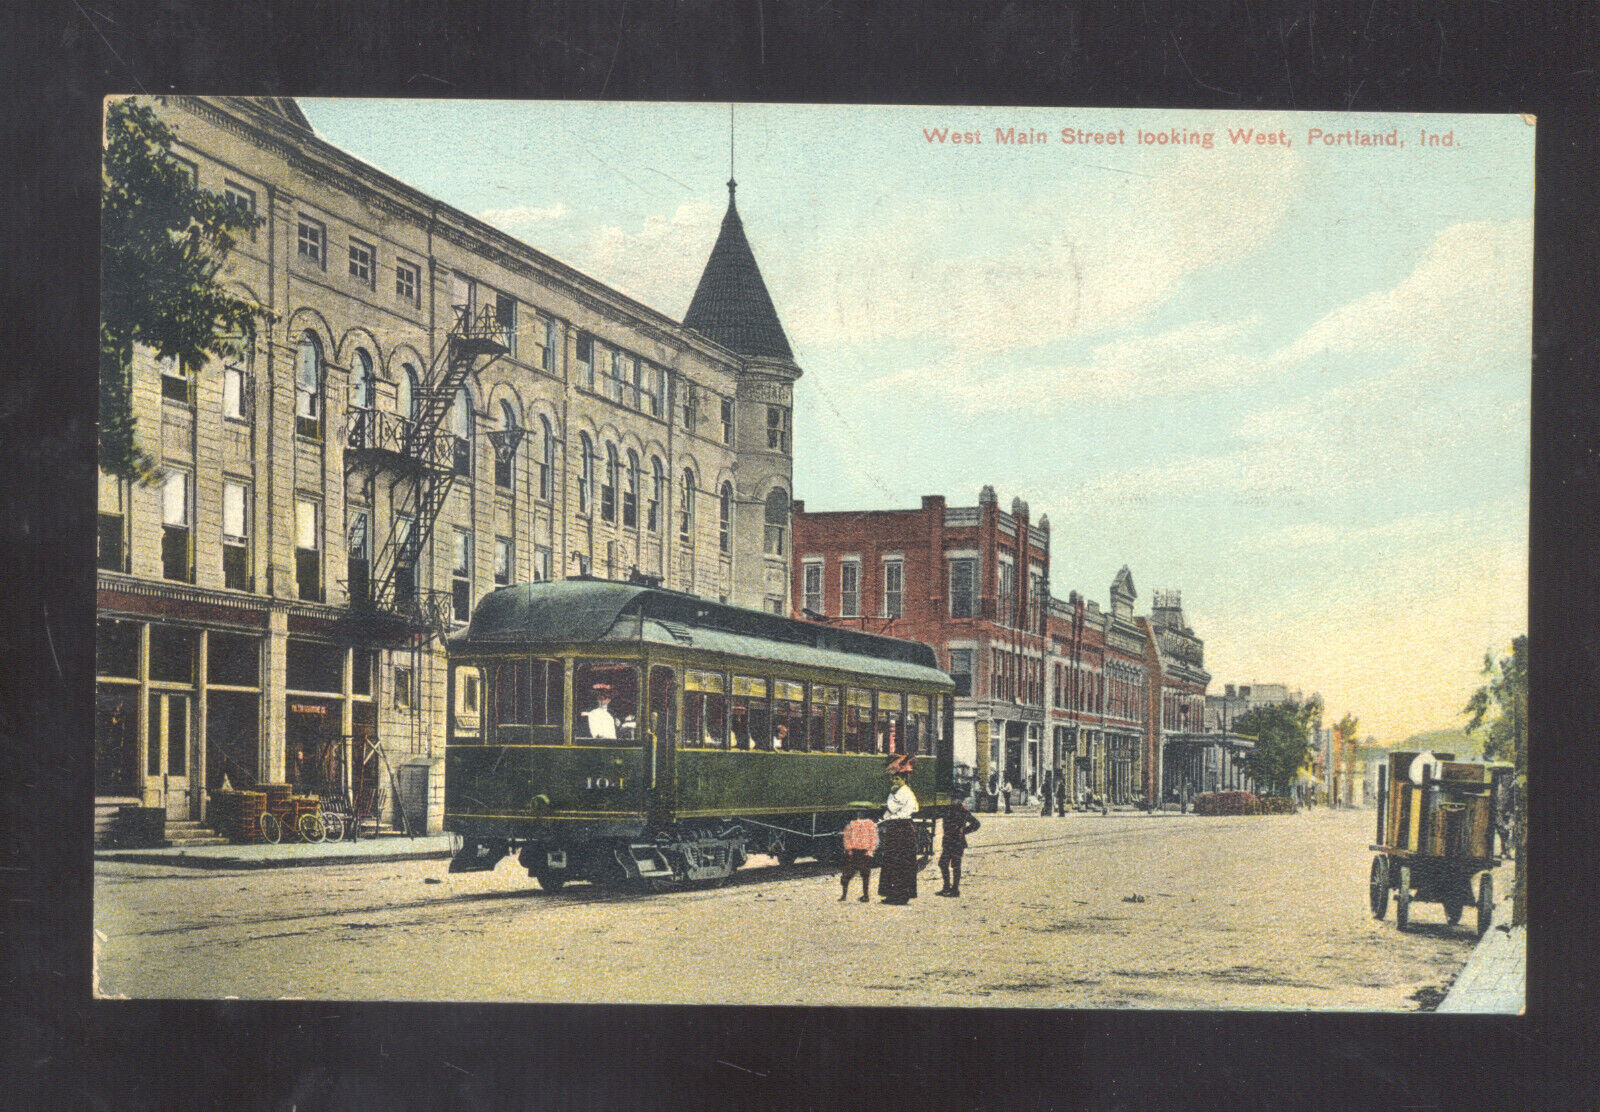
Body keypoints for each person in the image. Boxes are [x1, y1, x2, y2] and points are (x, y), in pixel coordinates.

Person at [878, 754, 920, 904]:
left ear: (903, 780)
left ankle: (901, 895)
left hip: (902, 828)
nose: (894, 781)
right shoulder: (899, 791)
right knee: (893, 861)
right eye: (893, 779)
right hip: (897, 828)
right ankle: (893, 894)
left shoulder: (903, 792)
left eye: (897, 779)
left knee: (900, 862)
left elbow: (891, 808)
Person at [937, 797, 980, 897]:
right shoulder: (947, 809)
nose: (953, 801)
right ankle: (947, 888)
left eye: (955, 799)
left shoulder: (962, 811)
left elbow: (976, 824)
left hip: (957, 842)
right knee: (943, 864)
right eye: (953, 799)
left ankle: (955, 890)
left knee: (955, 865)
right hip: (948, 841)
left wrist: (964, 831)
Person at [839, 810, 878, 902]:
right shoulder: (853, 824)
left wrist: (870, 850)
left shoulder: (869, 824)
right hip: (855, 851)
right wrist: (849, 849)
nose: (860, 813)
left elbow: (873, 838)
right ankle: (844, 895)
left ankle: (865, 896)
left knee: (865, 875)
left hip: (864, 852)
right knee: (847, 875)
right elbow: (847, 837)